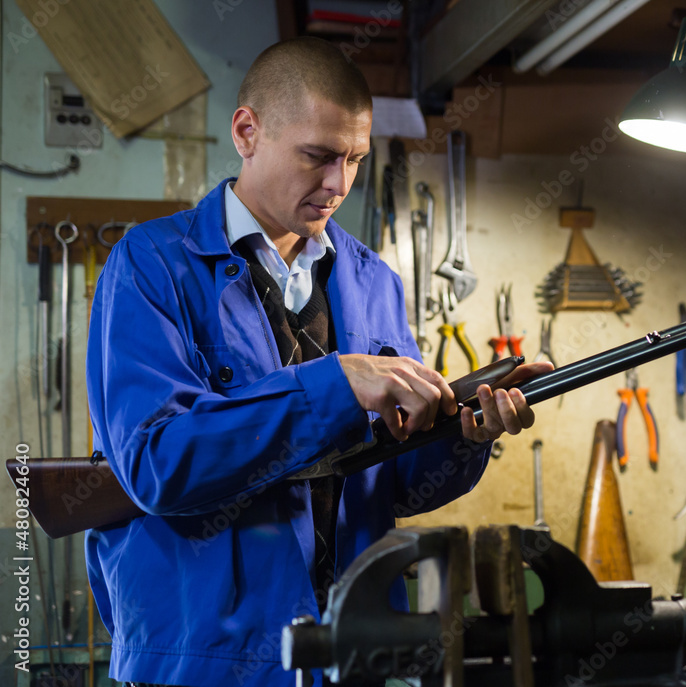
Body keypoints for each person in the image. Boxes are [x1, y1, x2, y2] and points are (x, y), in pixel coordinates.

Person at [85, 37, 550, 687]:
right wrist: (334, 384)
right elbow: (158, 464)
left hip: (357, 652)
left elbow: (392, 478)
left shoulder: (373, 281)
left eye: (355, 159)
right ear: (247, 131)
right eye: (318, 156)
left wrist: (461, 436)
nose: (338, 184)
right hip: (207, 665)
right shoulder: (152, 265)